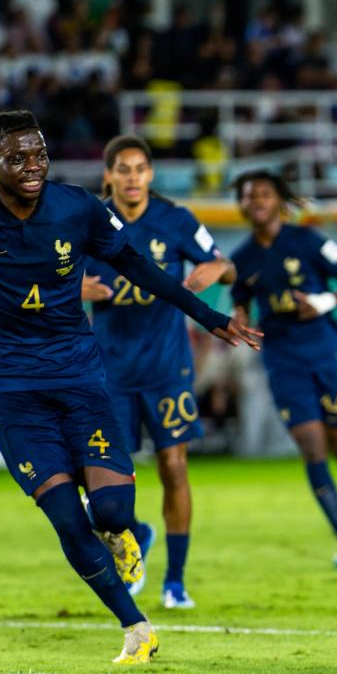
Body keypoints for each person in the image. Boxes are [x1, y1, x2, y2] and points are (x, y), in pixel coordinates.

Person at [0, 111, 260, 663]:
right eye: (17, 158)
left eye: (39, 155)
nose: (32, 167)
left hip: (81, 380)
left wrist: (210, 317)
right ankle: (136, 628)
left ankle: (125, 531)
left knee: (110, 511)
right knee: (66, 517)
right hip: (14, 392)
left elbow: (140, 268)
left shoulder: (78, 208)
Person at [82, 135, 238, 610]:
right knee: (99, 482)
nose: (132, 178)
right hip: (109, 371)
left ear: (151, 174)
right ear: (109, 175)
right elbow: (53, 275)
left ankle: (175, 581)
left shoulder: (176, 219)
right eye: (122, 169)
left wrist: (219, 270)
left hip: (168, 367)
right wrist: (75, 288)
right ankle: (136, 534)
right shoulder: (87, 220)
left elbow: (224, 265)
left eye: (140, 169)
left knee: (174, 467)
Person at [229, 169, 337, 569]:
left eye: (262, 193)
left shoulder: (308, 241)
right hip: (281, 357)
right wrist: (238, 318)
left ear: (279, 200)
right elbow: (240, 300)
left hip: (322, 349)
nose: (255, 201)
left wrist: (323, 302)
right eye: (248, 195)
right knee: (312, 446)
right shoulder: (240, 259)